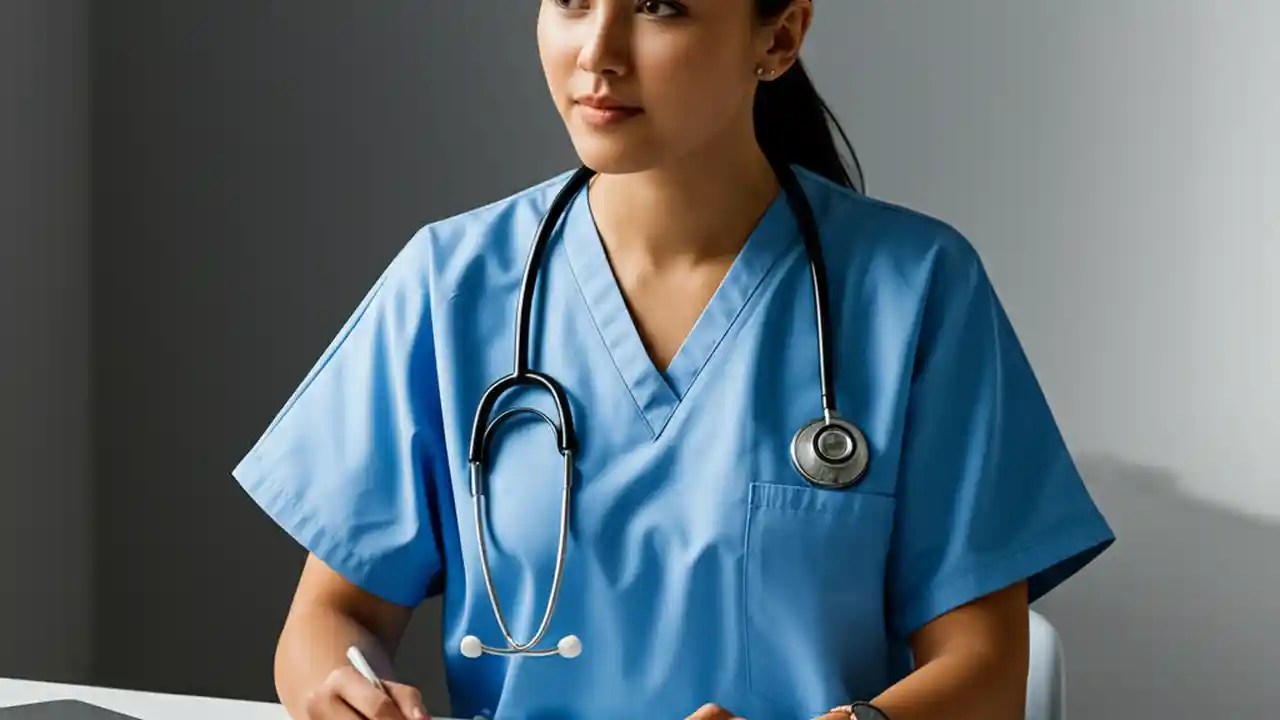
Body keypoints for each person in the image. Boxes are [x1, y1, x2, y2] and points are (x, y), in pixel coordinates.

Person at [231, 1, 1115, 718]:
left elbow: (986, 675)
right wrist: (340, 688)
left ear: (779, 36)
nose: (597, 53)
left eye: (659, 8)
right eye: (572, 1)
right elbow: (333, 616)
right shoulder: (449, 284)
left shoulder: (916, 290)